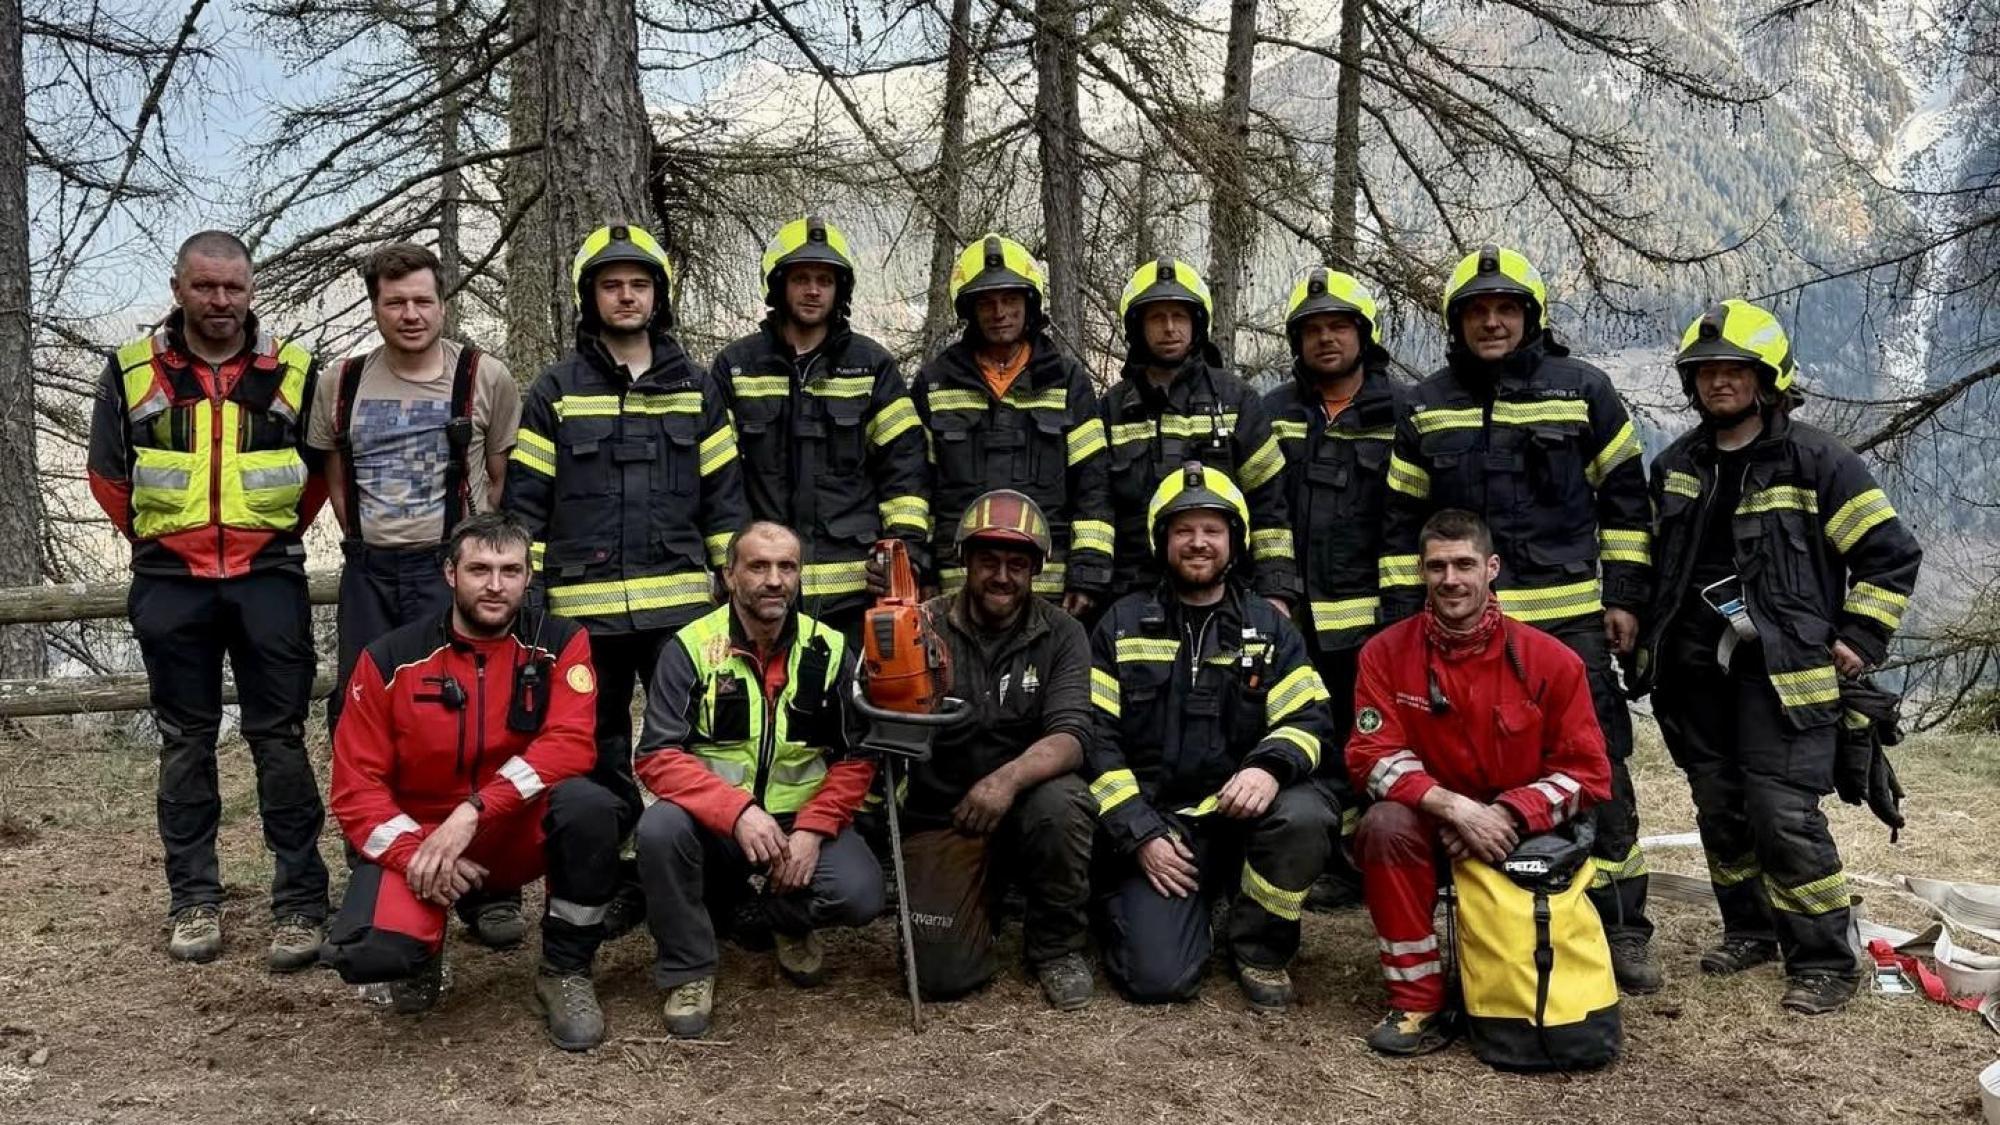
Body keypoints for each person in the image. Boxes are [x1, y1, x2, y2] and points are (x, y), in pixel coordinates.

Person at [1379, 244, 1659, 991]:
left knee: (1599, 776)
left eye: (1506, 310)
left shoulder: (1586, 391)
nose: (1492, 322)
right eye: (1478, 311)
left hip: (1566, 626)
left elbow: (1628, 504)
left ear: (1529, 318)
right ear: (1457, 322)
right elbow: (1402, 518)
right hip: (1458, 634)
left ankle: (1620, 924)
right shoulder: (1424, 404)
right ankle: (1479, 900)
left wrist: (1624, 597)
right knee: (1459, 762)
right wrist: (1403, 622)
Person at [1635, 300, 1922, 1015]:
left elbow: (1889, 558)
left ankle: (1824, 956)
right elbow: (1647, 560)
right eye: (1705, 372)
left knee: (1780, 812)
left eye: (1734, 369)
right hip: (1694, 672)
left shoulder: (1821, 462)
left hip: (1786, 677)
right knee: (1720, 807)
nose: (1719, 382)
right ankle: (1750, 928)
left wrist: (1858, 639)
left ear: (1768, 379)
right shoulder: (1676, 466)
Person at [86, 230, 330, 970]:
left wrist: (263, 541)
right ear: (178, 287)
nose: (220, 301)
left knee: (279, 738)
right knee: (185, 739)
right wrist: (171, 544)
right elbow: (107, 476)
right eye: (205, 286)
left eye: (233, 287)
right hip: (170, 583)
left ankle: (299, 903)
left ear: (251, 289)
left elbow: (317, 476)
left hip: (268, 578)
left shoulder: (291, 370)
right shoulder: (131, 371)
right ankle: (193, 897)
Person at [504, 223, 749, 941]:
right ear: (591, 296)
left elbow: (724, 497)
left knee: (696, 740)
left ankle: (700, 871)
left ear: (658, 295)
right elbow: (527, 501)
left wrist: (729, 587)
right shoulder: (555, 390)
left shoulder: (696, 387)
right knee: (597, 748)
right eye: (612, 285)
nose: (626, 296)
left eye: (639, 284)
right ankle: (612, 878)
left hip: (682, 611)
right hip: (585, 614)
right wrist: (533, 596)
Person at [322, 512, 617, 1051]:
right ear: (449, 574)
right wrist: (418, 854)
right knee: (371, 953)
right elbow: (355, 787)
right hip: (428, 841)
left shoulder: (561, 643)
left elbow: (571, 744)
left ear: (529, 578)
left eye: (510, 570)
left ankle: (565, 971)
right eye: (480, 569)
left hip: (516, 832)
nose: (496, 585)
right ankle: (422, 948)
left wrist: (475, 810)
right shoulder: (388, 659)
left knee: (590, 806)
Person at [308, 242, 526, 948]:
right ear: (374, 305)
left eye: (422, 301)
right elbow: (336, 476)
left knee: (482, 718)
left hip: (453, 568)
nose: (409, 314)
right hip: (373, 568)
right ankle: (382, 865)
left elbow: (497, 474)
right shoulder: (340, 382)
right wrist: (368, 540)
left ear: (443, 303)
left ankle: (491, 885)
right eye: (394, 301)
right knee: (363, 716)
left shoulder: (483, 375)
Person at [1346, 508, 1612, 1056]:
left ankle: (1516, 980)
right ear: (1420, 571)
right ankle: (1417, 1000)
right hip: (1432, 824)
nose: (1451, 580)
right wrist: (1453, 810)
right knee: (1383, 824)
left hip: (1520, 830)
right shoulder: (1384, 653)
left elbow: (1588, 774)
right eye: (1437, 566)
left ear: (1491, 568)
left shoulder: (1552, 660)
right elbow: (1371, 756)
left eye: (1464, 564)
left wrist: (1507, 816)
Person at [1084, 463, 1342, 1011]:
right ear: (1162, 541)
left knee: (1305, 813)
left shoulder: (1270, 629)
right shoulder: (1120, 625)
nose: (1198, 543)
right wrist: (1141, 836)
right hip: (1162, 827)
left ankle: (1259, 947)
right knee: (1159, 981)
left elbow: (1312, 717)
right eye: (1183, 530)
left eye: (1212, 530)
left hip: (1244, 821)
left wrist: (1268, 766)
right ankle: (1149, 910)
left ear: (1235, 541)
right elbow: (1095, 739)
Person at [631, 522, 884, 1038]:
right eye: (758, 566)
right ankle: (690, 969)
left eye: (787, 567)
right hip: (718, 824)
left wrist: (812, 831)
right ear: (728, 575)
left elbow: (858, 756)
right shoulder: (691, 647)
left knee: (860, 894)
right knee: (658, 830)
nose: (774, 580)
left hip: (798, 825)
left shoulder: (831, 650)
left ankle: (780, 919)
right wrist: (738, 811)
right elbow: (657, 755)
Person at [900, 490, 1097, 1008]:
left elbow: (1072, 736)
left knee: (1064, 805)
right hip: (949, 817)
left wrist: (1005, 782)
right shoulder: (921, 626)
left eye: (1017, 563)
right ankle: (974, 898)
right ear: (965, 561)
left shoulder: (1064, 634)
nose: (1002, 576)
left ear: (1035, 570)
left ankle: (1056, 946)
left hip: (1029, 810)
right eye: (988, 561)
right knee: (938, 977)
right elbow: (889, 736)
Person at [710, 217, 932, 634]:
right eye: (801, 279)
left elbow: (904, 469)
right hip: (765, 590)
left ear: (839, 290)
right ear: (779, 286)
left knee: (850, 699)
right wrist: (730, 563)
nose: (813, 290)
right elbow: (718, 479)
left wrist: (905, 554)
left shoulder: (872, 366)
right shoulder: (737, 367)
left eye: (825, 280)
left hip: (854, 591)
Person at [912, 235, 1113, 613]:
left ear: (1029, 303)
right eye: (986, 302)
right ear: (968, 309)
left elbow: (1093, 487)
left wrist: (1087, 575)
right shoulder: (935, 383)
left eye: (1009, 300)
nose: (999, 312)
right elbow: (916, 486)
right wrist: (922, 570)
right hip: (957, 590)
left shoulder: (1067, 382)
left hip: (1047, 589)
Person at [1100, 258, 1297, 608]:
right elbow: (1096, 503)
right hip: (1131, 595)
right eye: (1157, 318)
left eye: (1179, 317)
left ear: (1197, 324)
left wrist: (1276, 590)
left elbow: (1269, 505)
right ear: (1138, 328)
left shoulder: (1237, 400)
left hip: (1224, 593)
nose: (1170, 328)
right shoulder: (1111, 411)